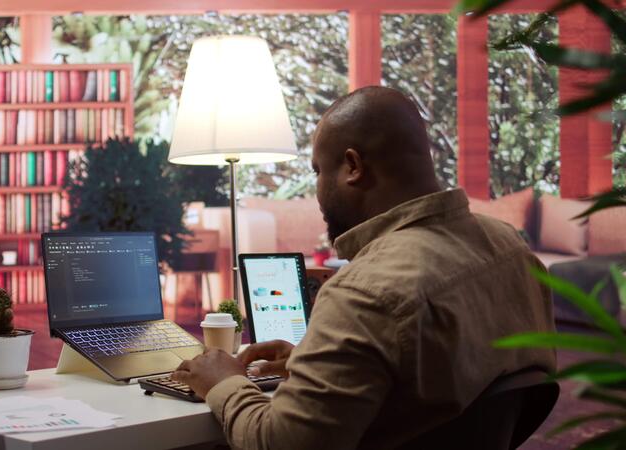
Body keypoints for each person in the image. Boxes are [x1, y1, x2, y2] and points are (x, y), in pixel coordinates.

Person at [171, 86, 556, 449]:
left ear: (352, 166)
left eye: (318, 171)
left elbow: (277, 443)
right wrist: (321, 365)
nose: (317, 190)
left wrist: (226, 382)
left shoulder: (364, 293)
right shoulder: (513, 250)